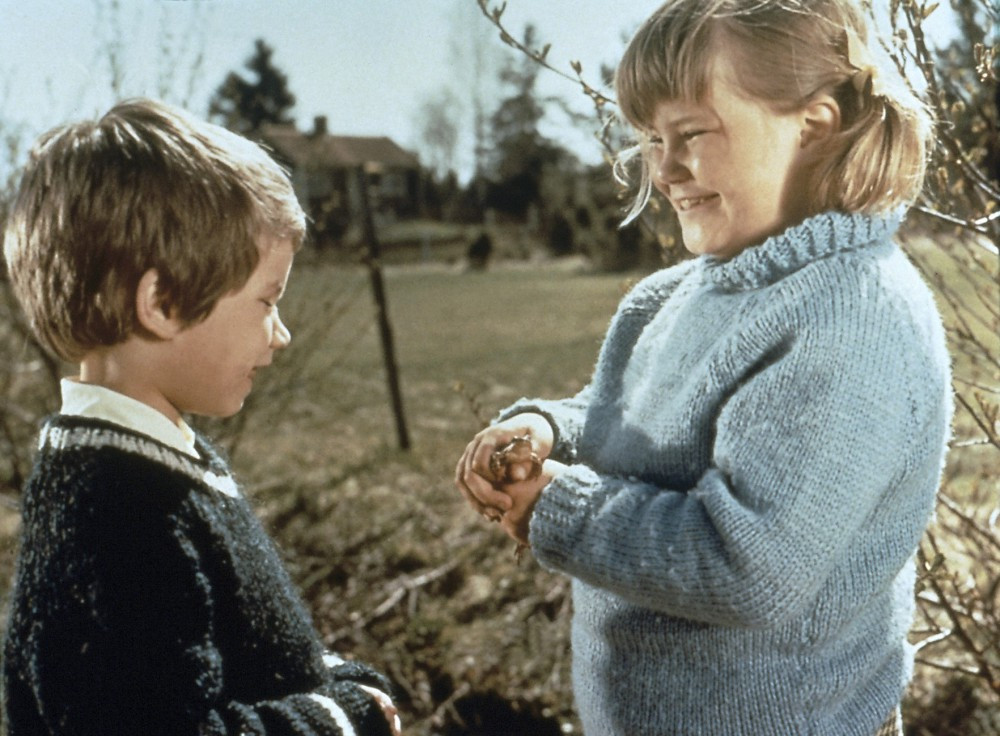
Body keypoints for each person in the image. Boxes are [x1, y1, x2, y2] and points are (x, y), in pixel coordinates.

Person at [455, 1, 952, 734]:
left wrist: (555, 505)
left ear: (813, 128)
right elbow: (626, 426)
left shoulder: (851, 316)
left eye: (690, 133)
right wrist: (545, 433)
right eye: (652, 139)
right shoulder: (674, 295)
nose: (664, 169)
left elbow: (748, 566)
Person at [2, 99, 401, 736]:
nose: (281, 333)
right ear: (162, 303)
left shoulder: (159, 461)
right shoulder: (121, 515)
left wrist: (338, 682)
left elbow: (245, 648)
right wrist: (339, 717)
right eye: (266, 301)